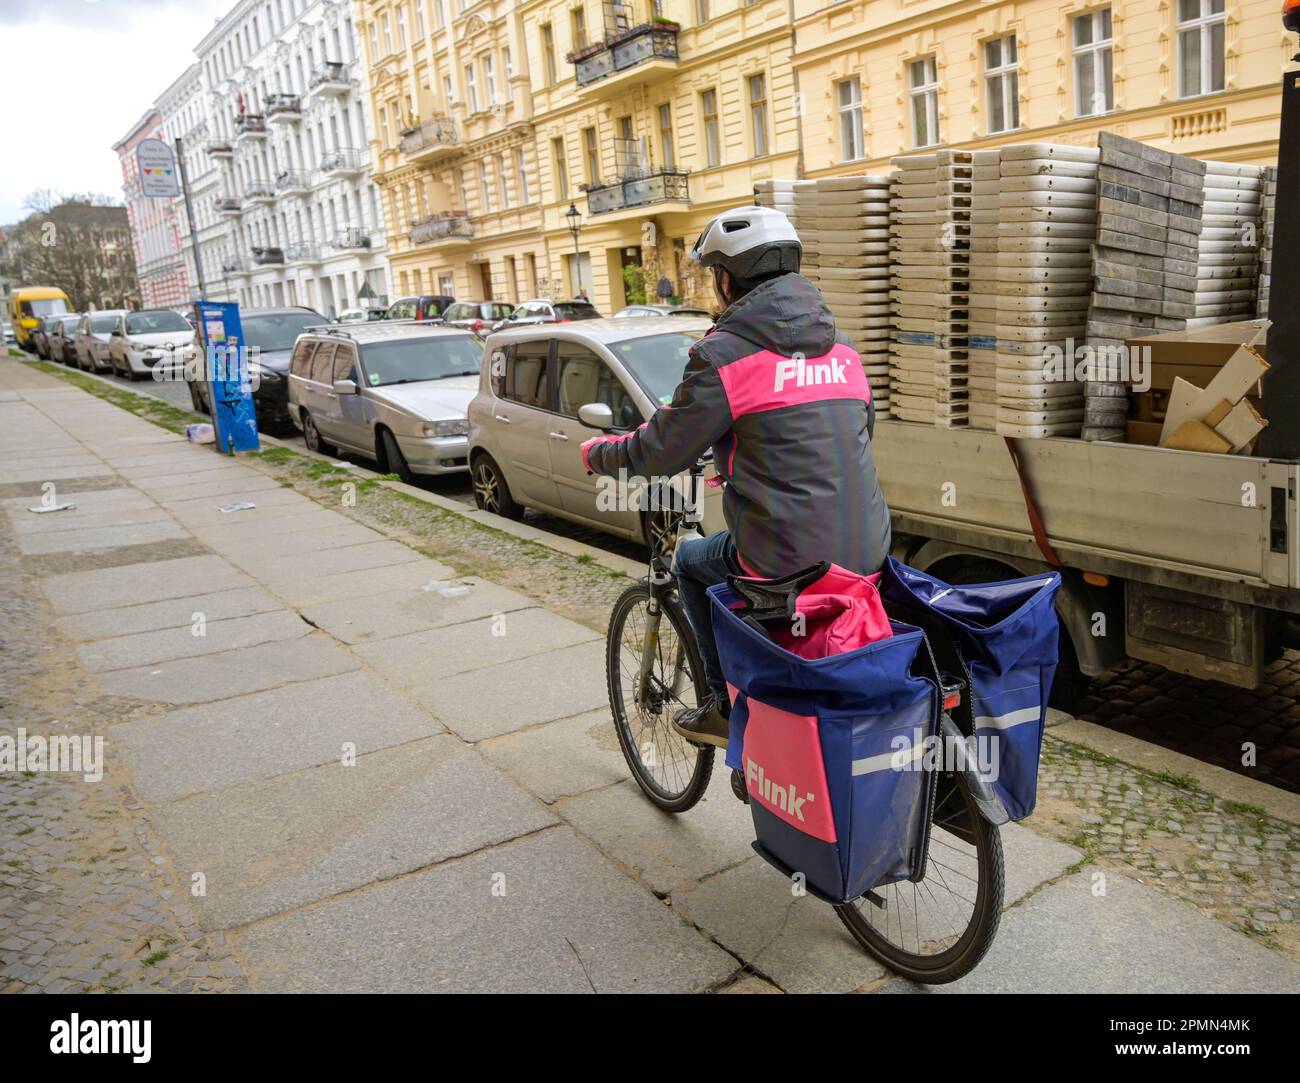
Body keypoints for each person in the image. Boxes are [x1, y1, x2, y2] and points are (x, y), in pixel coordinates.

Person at [581, 206, 892, 748]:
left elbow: (660, 451)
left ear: (726, 280)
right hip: (868, 551)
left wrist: (600, 453)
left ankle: (723, 709)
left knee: (690, 559)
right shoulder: (843, 350)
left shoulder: (723, 354)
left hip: (789, 559)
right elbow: (855, 432)